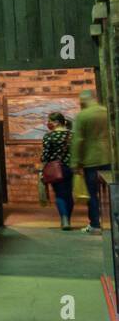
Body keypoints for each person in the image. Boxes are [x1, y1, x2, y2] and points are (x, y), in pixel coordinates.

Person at [71, 89, 112, 235]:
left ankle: (95, 224)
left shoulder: (83, 115)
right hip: (107, 157)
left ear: (83, 100)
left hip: (91, 159)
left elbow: (78, 140)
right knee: (113, 192)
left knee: (92, 194)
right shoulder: (105, 112)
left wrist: (75, 162)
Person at [40, 111, 73, 230]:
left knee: (59, 195)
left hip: (55, 169)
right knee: (68, 194)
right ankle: (68, 219)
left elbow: (45, 156)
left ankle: (64, 219)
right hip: (70, 168)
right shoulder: (71, 135)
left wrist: (41, 169)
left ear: (57, 122)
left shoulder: (49, 136)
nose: (48, 123)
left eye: (50, 121)